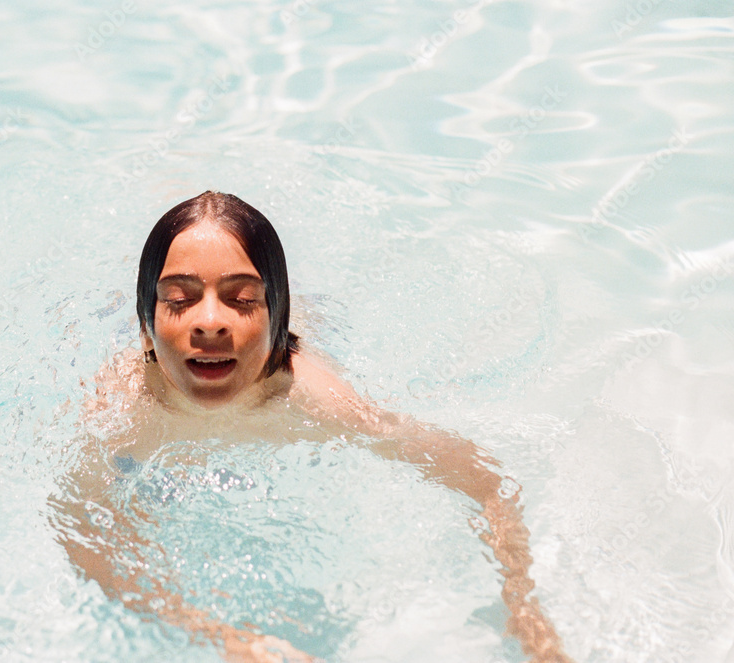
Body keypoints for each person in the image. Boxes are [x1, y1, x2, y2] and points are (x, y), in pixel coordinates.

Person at [50, 191, 573, 663]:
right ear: (146, 327)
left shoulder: (316, 401)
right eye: (180, 300)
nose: (210, 321)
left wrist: (521, 602)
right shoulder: (123, 409)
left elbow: (478, 477)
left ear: (277, 323)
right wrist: (215, 633)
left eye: (243, 298)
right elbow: (80, 531)